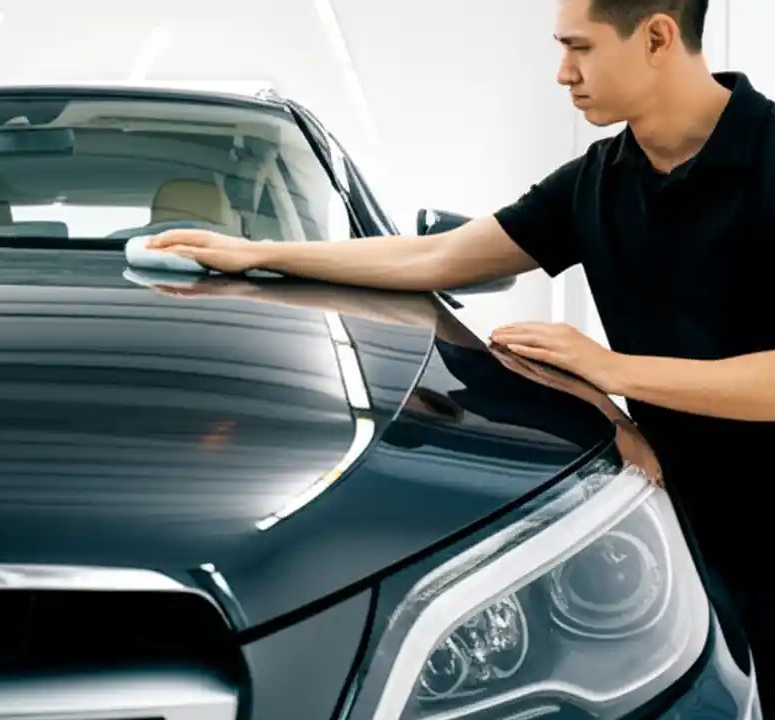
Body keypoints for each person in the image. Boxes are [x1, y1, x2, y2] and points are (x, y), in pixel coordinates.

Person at [146, 0, 775, 709]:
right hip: (676, 508)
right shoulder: (599, 179)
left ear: (658, 35)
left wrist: (612, 371)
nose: (564, 74)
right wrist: (254, 253)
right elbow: (439, 255)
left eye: (581, 48)